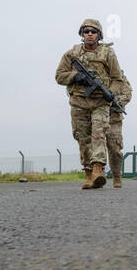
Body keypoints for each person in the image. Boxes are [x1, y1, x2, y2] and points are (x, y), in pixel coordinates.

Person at [54, 18, 127, 190]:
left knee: (99, 134)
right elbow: (59, 76)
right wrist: (75, 76)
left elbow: (118, 80)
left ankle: (98, 170)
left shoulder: (108, 54)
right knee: (83, 138)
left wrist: (110, 93)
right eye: (86, 31)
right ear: (81, 34)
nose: (89, 34)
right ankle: (89, 174)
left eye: (93, 31)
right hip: (79, 102)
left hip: (100, 102)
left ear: (99, 35)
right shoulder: (71, 54)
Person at [105, 58, 132, 188]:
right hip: (93, 115)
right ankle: (93, 174)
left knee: (115, 149)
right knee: (92, 147)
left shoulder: (120, 76)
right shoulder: (95, 72)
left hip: (114, 117)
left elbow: (127, 94)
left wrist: (113, 100)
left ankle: (116, 176)